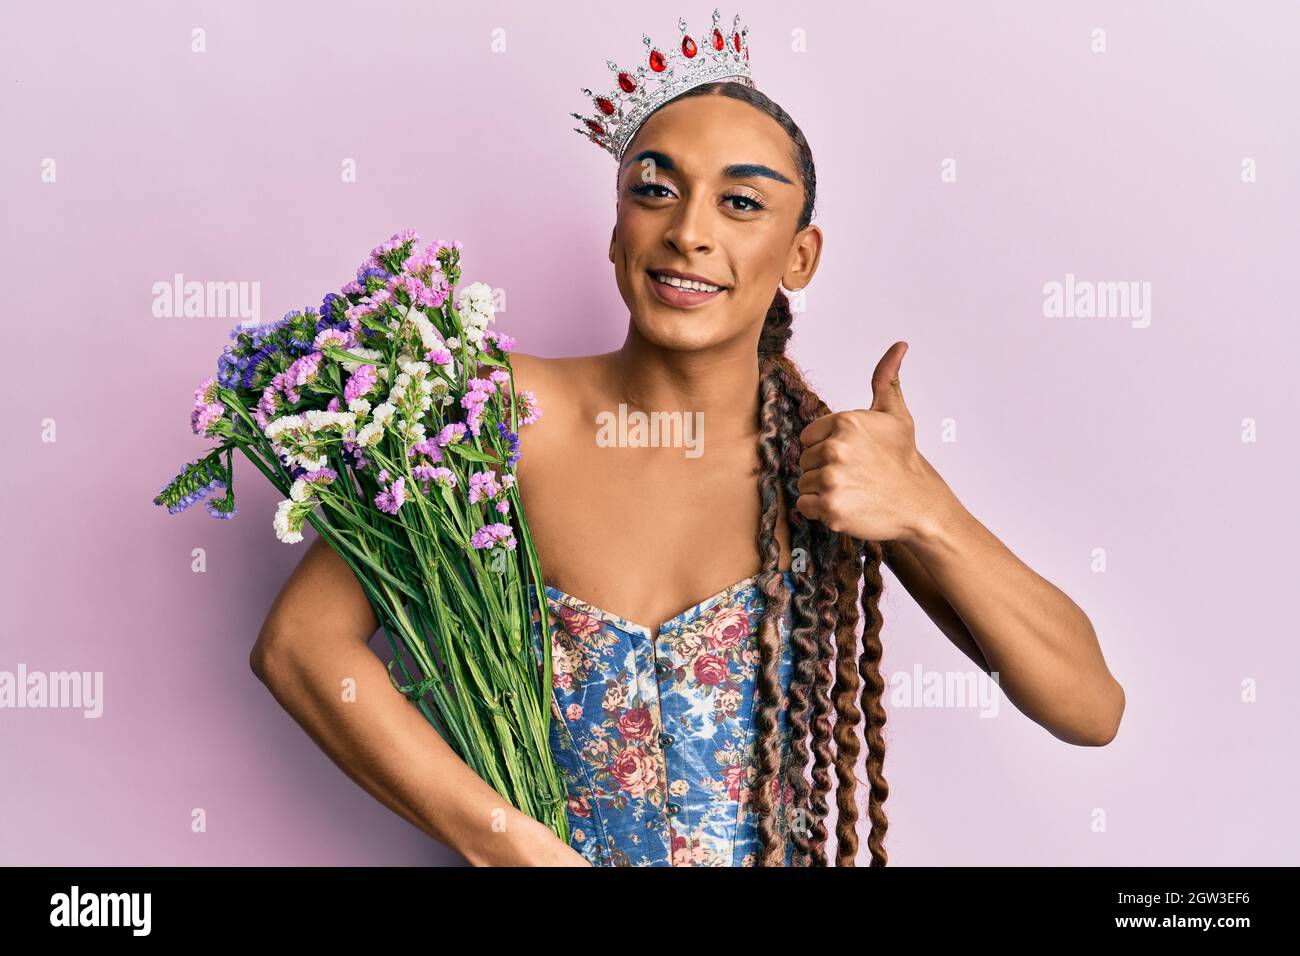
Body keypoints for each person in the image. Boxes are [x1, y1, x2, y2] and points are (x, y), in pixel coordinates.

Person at [251, 9, 1125, 868]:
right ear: (617, 226)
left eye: (741, 202)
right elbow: (298, 647)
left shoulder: (833, 469)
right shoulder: (498, 416)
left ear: (800, 257)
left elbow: (1089, 708)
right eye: (654, 190)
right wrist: (503, 842)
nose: (690, 232)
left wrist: (929, 512)